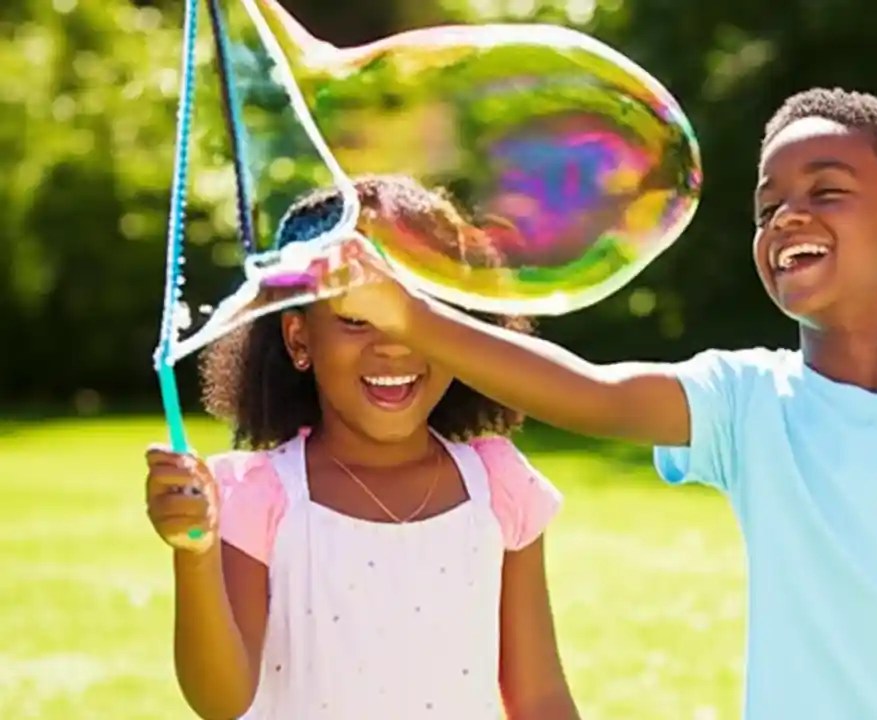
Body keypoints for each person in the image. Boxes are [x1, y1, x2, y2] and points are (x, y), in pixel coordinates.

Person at [329, 75, 877, 719]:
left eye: (824, 193)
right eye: (767, 207)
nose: (785, 218)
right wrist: (405, 314)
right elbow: (591, 396)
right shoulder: (748, 401)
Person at [144, 175, 580, 720]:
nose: (393, 345)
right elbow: (222, 700)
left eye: (420, 313)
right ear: (299, 338)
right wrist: (195, 553)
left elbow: (538, 696)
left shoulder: (498, 486)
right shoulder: (259, 496)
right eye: (356, 319)